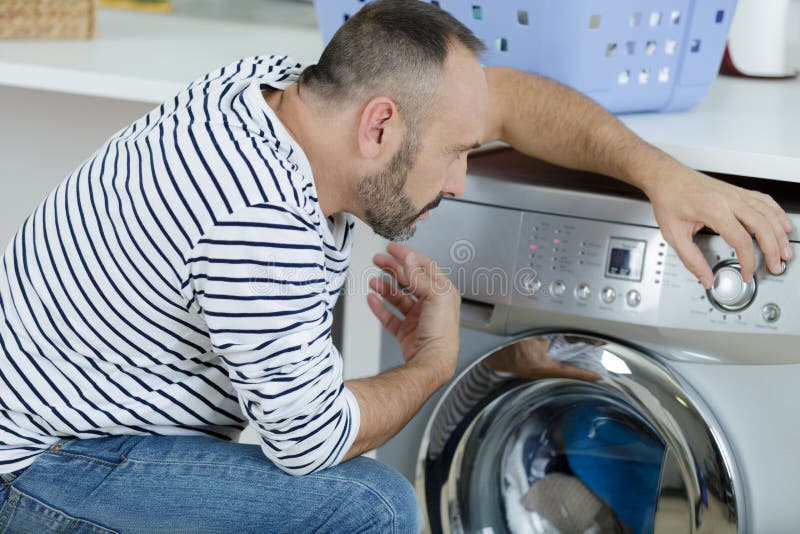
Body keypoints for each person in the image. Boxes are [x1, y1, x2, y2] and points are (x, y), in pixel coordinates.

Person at [0, 0, 792, 532]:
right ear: (379, 126)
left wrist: (662, 176)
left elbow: (505, 100)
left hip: (69, 413)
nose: (459, 179)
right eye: (453, 155)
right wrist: (437, 361)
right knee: (370, 504)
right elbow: (311, 442)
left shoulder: (281, 91)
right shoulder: (255, 222)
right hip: (42, 467)